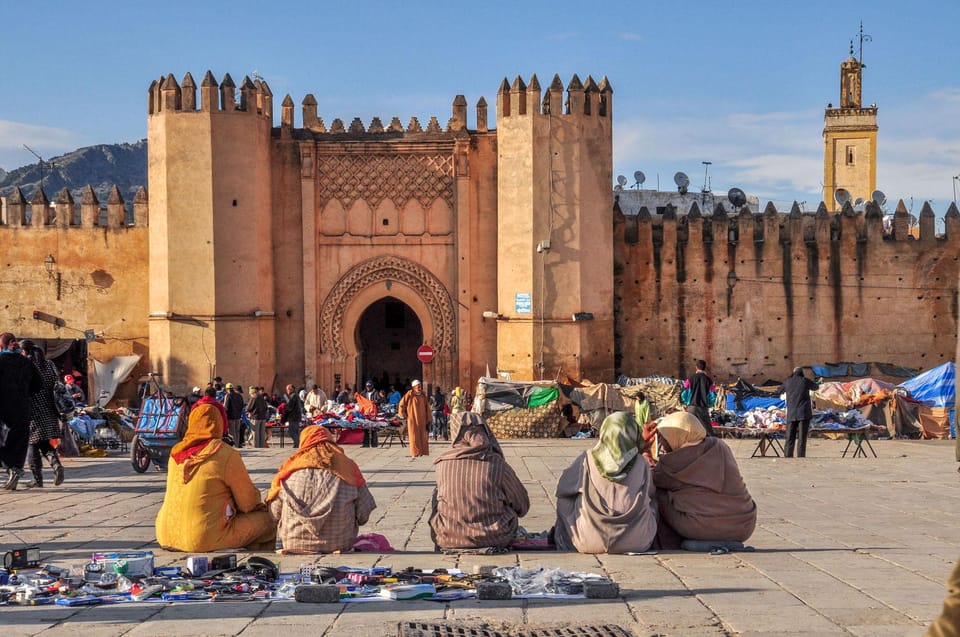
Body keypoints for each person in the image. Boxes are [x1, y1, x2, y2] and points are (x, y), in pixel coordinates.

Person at [155, 387, 275, 552]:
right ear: (219, 423)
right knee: (268, 520)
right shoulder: (223, 453)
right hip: (201, 537)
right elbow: (248, 502)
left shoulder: (175, 453)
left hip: (165, 534)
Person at [553, 411, 657, 554]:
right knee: (652, 502)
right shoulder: (642, 463)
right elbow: (651, 493)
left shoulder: (587, 459)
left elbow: (562, 488)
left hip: (587, 542)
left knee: (564, 499)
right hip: (636, 543)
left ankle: (567, 538)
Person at [652, 411, 757, 549]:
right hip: (744, 525)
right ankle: (719, 541)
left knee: (657, 492)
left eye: (663, 438)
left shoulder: (672, 463)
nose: (661, 443)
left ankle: (675, 540)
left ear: (676, 436)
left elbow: (653, 477)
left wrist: (644, 450)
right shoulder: (720, 446)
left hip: (700, 528)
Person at [266, 425, 376, 553]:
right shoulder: (348, 468)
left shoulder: (289, 471)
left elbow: (274, 513)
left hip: (293, 543)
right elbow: (363, 514)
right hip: (339, 544)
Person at [429, 412, 529, 551]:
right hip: (495, 536)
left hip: (446, 537)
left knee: (437, 496)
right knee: (508, 497)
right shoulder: (497, 464)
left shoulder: (442, 464)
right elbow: (522, 505)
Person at [19, 340, 65, 488]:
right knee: (43, 441)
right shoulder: (49, 364)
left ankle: (37, 479)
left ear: (24, 352)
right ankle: (55, 464)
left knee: (32, 443)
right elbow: (56, 382)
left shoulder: (26, 366)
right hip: (51, 409)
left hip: (33, 410)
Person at [0, 333, 43, 490]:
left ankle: (10, 468)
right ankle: (16, 469)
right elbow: (38, 384)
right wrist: (24, 393)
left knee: (3, 441)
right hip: (22, 408)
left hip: (3, 409)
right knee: (19, 441)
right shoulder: (26, 362)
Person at [778, 367, 818, 458]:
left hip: (791, 413)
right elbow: (816, 387)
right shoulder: (805, 381)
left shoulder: (787, 381)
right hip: (803, 413)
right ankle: (800, 455)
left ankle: (788, 454)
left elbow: (779, 391)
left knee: (789, 436)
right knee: (802, 437)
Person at [398, 379, 431, 458]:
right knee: (414, 436)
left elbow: (427, 407)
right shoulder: (409, 394)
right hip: (412, 419)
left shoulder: (423, 395)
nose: (419, 388)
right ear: (413, 387)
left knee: (423, 436)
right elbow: (401, 404)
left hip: (422, 419)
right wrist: (403, 414)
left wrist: (428, 418)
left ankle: (422, 452)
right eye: (417, 386)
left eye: (420, 386)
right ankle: (415, 452)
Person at [685, 359, 716, 436]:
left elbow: (684, 393)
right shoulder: (708, 380)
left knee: (689, 428)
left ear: (696, 367)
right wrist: (709, 404)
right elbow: (712, 395)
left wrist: (686, 403)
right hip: (703, 407)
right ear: (705, 368)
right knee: (707, 429)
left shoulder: (690, 379)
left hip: (692, 407)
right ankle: (711, 442)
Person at [222, 383, 244, 447]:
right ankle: (237, 445)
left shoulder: (228, 396)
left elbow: (226, 407)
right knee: (237, 431)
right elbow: (242, 406)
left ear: (227, 389)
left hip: (230, 417)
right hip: (238, 416)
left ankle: (233, 446)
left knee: (231, 432)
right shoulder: (239, 396)